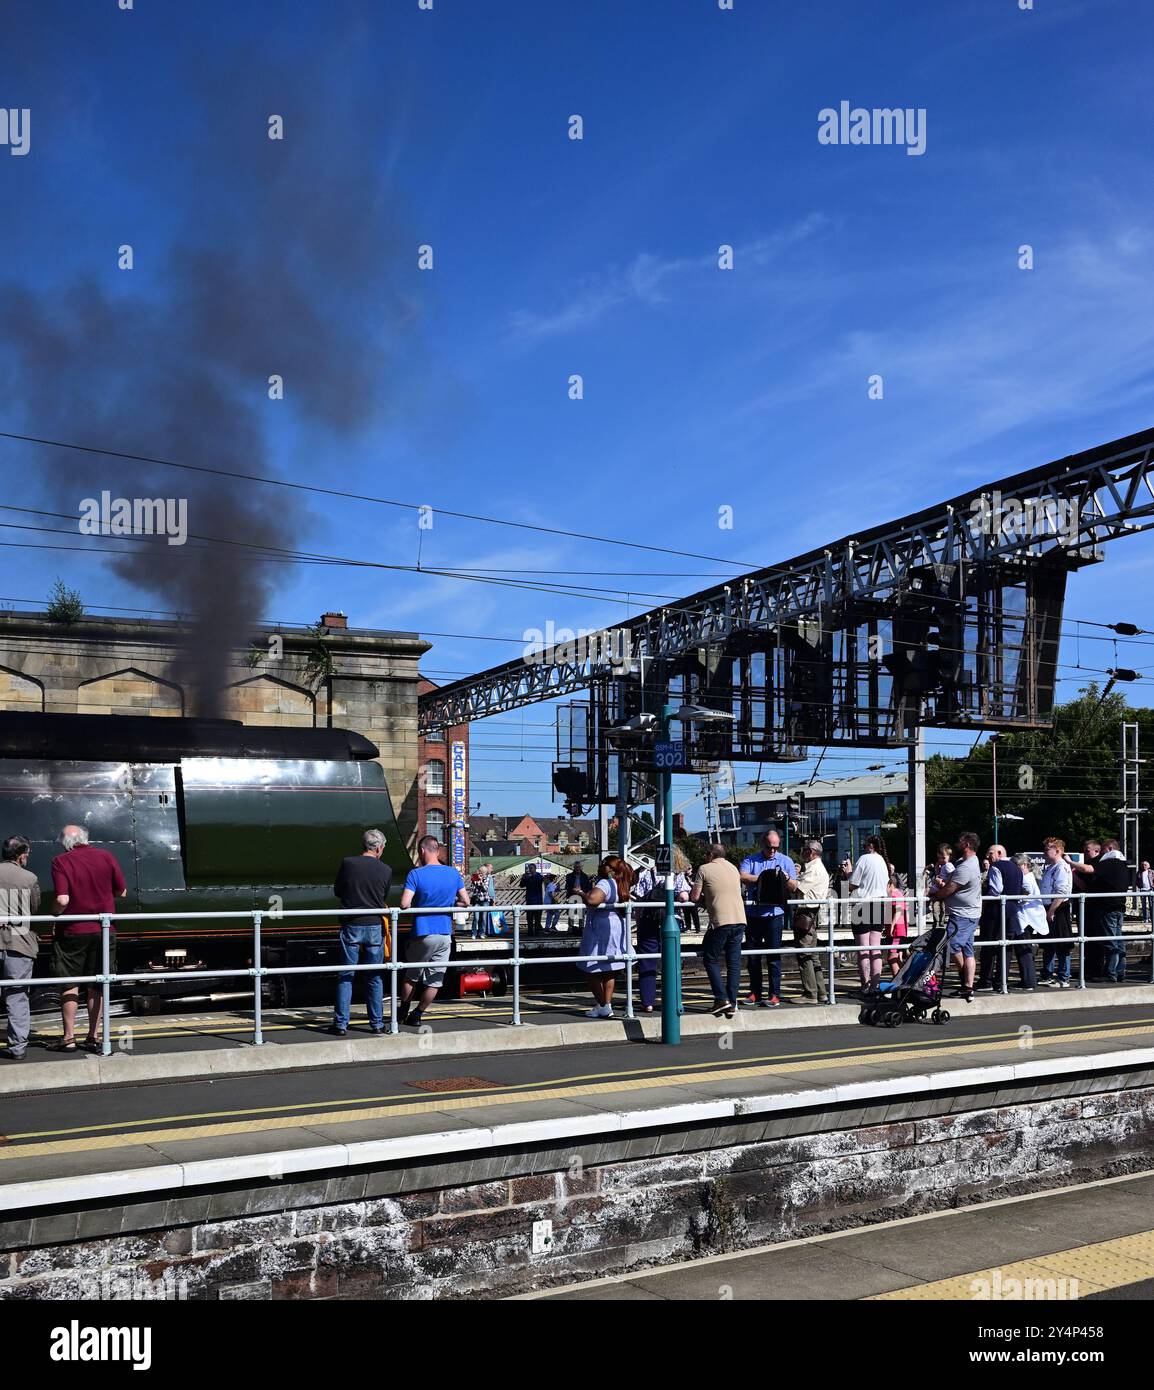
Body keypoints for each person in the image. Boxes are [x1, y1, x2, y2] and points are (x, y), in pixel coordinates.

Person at [50, 824, 127, 1053]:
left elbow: (62, 900)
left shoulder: (60, 861)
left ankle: (69, 1038)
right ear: (85, 838)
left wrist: (52, 914)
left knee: (70, 984)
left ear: (65, 843)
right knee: (97, 984)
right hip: (104, 929)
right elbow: (121, 892)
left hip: (73, 931)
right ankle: (93, 1036)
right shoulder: (106, 856)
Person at [397, 836, 470, 1028]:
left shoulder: (416, 874)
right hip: (445, 934)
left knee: (412, 975)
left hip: (423, 932)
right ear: (437, 851)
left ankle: (403, 1011)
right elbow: (466, 901)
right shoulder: (453, 873)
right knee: (435, 980)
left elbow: (404, 904)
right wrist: (450, 903)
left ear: (422, 851)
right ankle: (417, 1014)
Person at [328, 828, 392, 1037]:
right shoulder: (385, 869)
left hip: (352, 923)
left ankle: (341, 1024)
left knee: (346, 975)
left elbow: (338, 891)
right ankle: (377, 1024)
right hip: (374, 925)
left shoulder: (348, 863)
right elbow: (383, 895)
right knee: (374, 976)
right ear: (379, 848)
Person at [740, 829, 796, 1007]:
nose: (772, 851)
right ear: (762, 844)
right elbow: (742, 875)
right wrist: (766, 878)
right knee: (753, 957)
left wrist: (785, 879)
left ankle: (774, 994)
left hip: (774, 915)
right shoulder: (751, 860)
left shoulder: (786, 861)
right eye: (769, 847)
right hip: (753, 915)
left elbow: (794, 886)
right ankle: (755, 992)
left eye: (776, 848)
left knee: (774, 957)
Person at [691, 845, 746, 1017]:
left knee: (710, 958)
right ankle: (732, 1003)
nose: (704, 857)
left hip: (721, 921)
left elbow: (694, 897)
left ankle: (721, 999)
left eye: (705, 854)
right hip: (740, 919)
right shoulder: (733, 868)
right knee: (734, 964)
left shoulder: (704, 869)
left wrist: (704, 898)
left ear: (710, 855)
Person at [631, 853, 690, 1014]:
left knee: (646, 962)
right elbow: (684, 897)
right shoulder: (677, 875)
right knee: (671, 961)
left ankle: (647, 1002)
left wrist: (639, 922)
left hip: (648, 921)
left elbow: (638, 900)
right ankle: (671, 1000)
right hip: (670, 921)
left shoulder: (646, 873)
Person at [929, 831, 983, 1002]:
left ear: (967, 844)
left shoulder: (966, 867)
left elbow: (949, 889)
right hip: (968, 913)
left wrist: (936, 895)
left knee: (951, 946)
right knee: (967, 950)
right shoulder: (969, 862)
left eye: (960, 841)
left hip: (962, 915)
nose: (957, 844)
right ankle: (967, 987)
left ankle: (964, 977)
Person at [577, 855, 634, 1017]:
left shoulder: (605, 883)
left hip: (600, 928)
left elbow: (592, 900)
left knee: (591, 968)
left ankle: (603, 1005)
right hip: (616, 927)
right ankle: (605, 1004)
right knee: (609, 969)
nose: (600, 866)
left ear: (611, 869)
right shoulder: (621, 883)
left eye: (604, 864)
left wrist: (581, 893)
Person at [0, 835, 41, 1061]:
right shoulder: (29, 878)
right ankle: (17, 1047)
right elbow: (34, 908)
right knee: (17, 995)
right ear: (22, 855)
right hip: (19, 940)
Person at [1072, 839, 1129, 984]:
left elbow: (1088, 869)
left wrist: (1070, 863)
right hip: (1119, 907)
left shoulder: (1110, 862)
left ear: (1109, 849)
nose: (1101, 855)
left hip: (1107, 908)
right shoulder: (1123, 864)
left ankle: (1110, 973)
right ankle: (1120, 971)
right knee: (1118, 941)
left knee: (1110, 942)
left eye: (1103, 851)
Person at [842, 835, 890, 992]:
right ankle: (875, 986)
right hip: (879, 904)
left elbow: (852, 885)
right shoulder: (883, 861)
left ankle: (865, 985)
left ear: (870, 846)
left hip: (862, 905)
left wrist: (848, 872)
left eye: (864, 845)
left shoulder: (864, 859)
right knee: (875, 948)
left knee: (863, 948)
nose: (863, 848)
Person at [791, 840, 830, 1002]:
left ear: (811, 852)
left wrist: (786, 877)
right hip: (812, 915)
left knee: (804, 953)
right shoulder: (815, 868)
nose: (802, 852)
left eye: (804, 849)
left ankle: (810, 993)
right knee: (813, 955)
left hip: (805, 914)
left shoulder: (814, 869)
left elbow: (797, 888)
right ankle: (821, 992)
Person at [1037, 837, 1073, 987]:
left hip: (1058, 909)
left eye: (1047, 849)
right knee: (1048, 943)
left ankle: (1064, 977)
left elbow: (1062, 891)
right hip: (1049, 908)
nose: (1044, 852)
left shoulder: (1061, 867)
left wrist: (1051, 910)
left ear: (1057, 851)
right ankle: (1047, 974)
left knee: (1062, 943)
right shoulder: (1051, 867)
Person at [883, 868, 908, 980]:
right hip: (898, 930)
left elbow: (898, 911)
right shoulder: (899, 894)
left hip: (897, 931)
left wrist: (892, 926)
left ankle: (897, 981)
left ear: (890, 884)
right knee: (896, 957)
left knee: (892, 957)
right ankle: (904, 978)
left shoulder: (894, 894)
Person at [521, 858, 545, 931]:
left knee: (537, 919)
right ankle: (530, 932)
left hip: (537, 901)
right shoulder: (527, 877)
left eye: (531, 868)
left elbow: (538, 881)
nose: (530, 870)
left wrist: (530, 877)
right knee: (529, 918)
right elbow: (521, 885)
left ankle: (537, 932)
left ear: (535, 868)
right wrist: (524, 878)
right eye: (529, 868)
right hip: (529, 900)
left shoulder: (539, 876)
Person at [1139, 860, 1153, 926]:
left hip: (1150, 890)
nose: (1144, 866)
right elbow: (1137, 881)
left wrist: (1153, 886)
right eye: (1143, 865)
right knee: (1143, 905)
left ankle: (1152, 918)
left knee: (1151, 904)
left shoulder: (1151, 872)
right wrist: (1140, 886)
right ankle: (1145, 918)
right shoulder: (1139, 872)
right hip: (1143, 890)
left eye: (1145, 865)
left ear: (1148, 866)